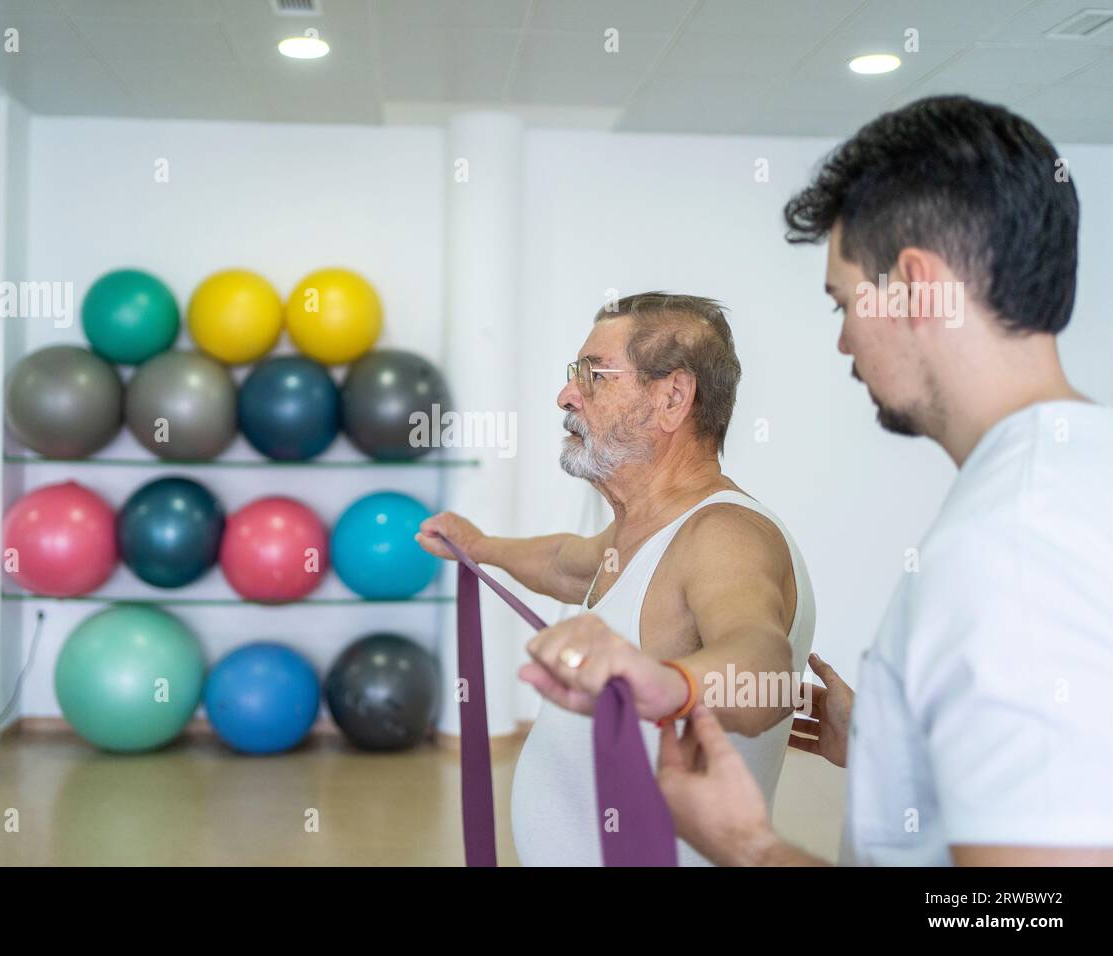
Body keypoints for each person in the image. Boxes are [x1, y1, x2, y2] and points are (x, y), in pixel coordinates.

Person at [524, 95, 1113, 866]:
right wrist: (885, 741)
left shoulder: (1013, 548)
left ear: (915, 285)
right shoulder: (1073, 475)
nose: (843, 342)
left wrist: (751, 847)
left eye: (844, 303)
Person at [417, 292, 815, 866]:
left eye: (593, 376)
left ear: (672, 398)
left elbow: (763, 668)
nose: (566, 394)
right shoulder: (649, 528)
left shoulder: (725, 534)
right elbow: (565, 562)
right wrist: (480, 547)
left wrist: (668, 686)